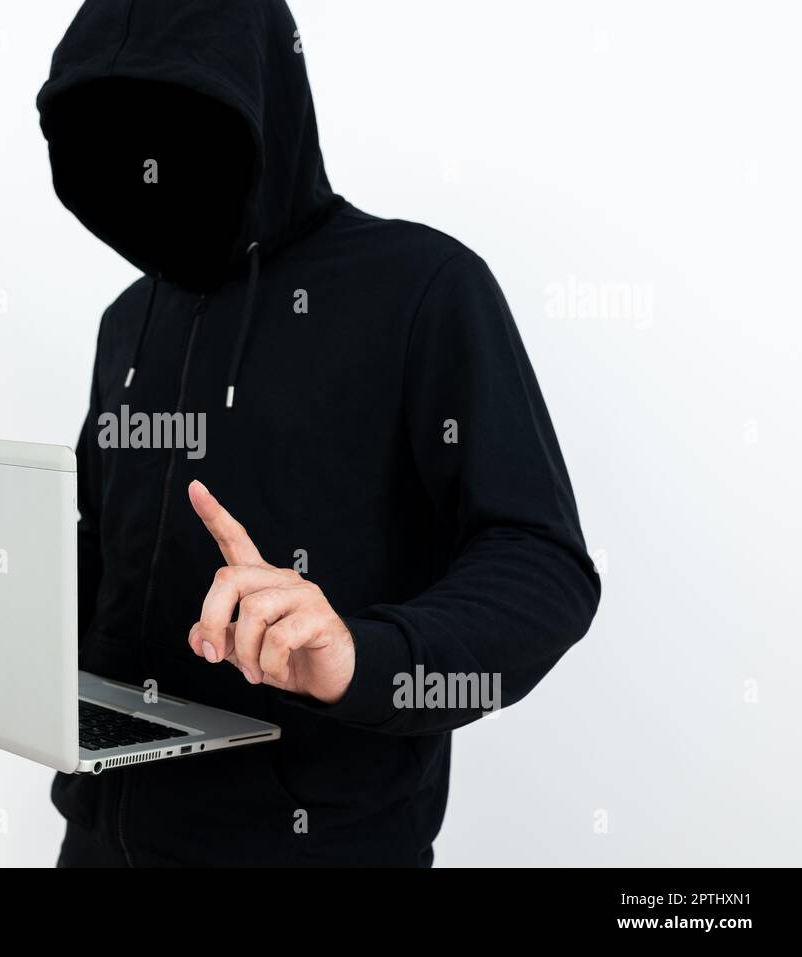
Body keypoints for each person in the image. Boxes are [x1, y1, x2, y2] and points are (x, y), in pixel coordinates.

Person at [37, 0, 601, 866]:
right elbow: (97, 548)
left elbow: (543, 564)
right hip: (97, 839)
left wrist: (361, 655)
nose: (150, 157)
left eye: (182, 119)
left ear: (261, 102)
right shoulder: (129, 319)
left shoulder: (424, 287)